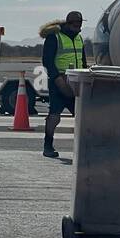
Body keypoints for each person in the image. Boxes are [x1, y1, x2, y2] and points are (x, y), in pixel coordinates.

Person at [40, 10, 86, 159]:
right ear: (68, 23)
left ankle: (84, 146)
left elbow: (83, 61)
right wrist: (57, 79)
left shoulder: (79, 38)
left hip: (77, 81)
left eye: (80, 24)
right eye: (76, 24)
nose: (78, 27)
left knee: (82, 116)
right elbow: (47, 61)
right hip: (59, 80)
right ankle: (48, 145)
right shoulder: (54, 37)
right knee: (54, 115)